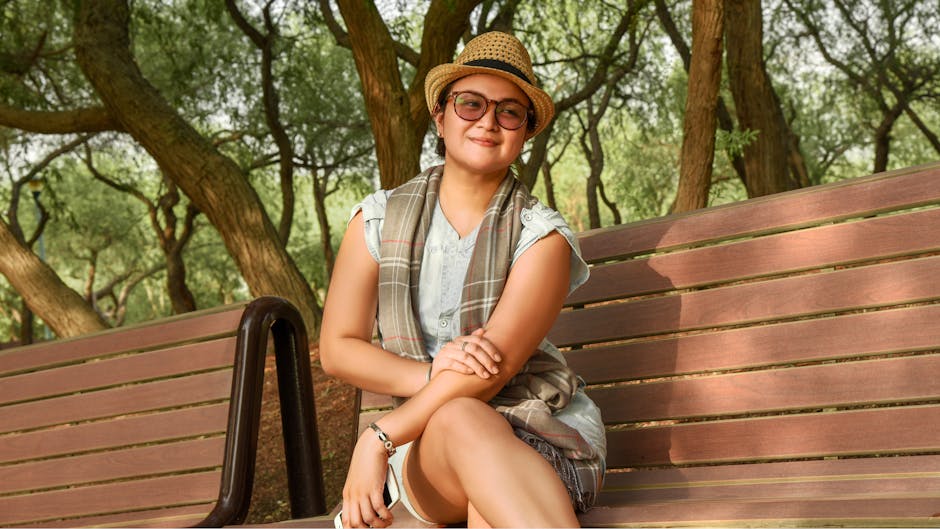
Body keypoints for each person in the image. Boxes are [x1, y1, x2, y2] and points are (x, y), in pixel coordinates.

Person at [320, 31, 606, 528]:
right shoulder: (377, 221)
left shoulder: (542, 237)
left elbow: (489, 371)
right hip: (429, 446)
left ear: (526, 131)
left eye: (510, 111)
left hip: (542, 430)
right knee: (458, 418)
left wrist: (379, 435)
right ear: (441, 114)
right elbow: (338, 347)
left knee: (484, 499)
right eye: (471, 104)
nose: (489, 122)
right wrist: (431, 375)